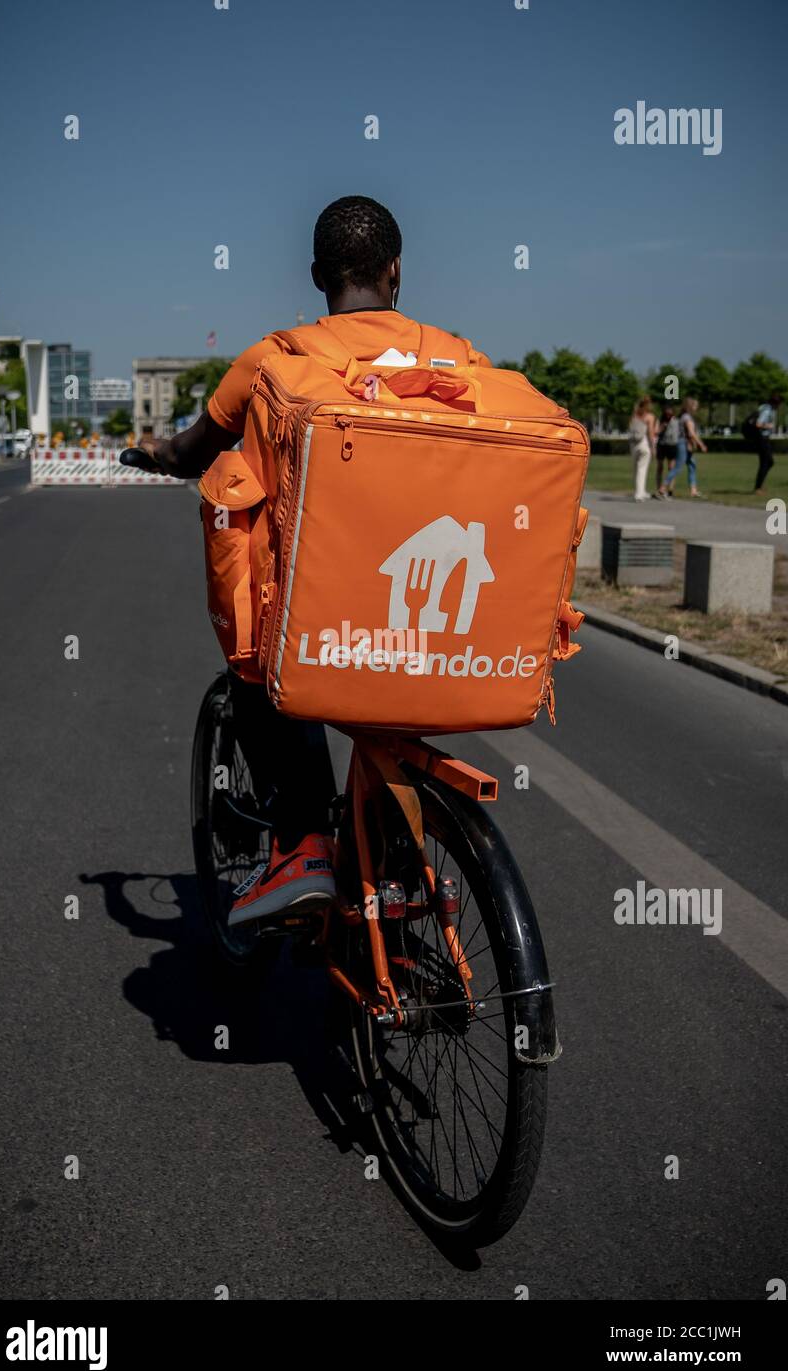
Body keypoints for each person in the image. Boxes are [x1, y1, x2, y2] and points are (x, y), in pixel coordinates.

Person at [129, 195, 493, 927]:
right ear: (395, 271)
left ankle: (302, 848)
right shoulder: (460, 358)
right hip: (432, 614)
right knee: (399, 680)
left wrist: (154, 454)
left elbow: (193, 449)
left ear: (317, 276)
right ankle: (400, 864)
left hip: (325, 616)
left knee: (264, 663)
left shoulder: (275, 358)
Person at [663, 397, 707, 498]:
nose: (697, 407)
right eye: (695, 405)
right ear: (690, 406)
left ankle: (693, 490)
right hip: (683, 444)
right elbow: (691, 434)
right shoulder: (687, 417)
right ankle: (663, 487)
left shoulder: (684, 416)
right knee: (678, 467)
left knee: (692, 465)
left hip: (685, 444)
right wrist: (701, 444)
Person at [747, 391, 784, 494]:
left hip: (762, 438)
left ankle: (759, 485)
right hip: (762, 438)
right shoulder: (767, 410)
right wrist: (769, 426)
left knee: (767, 462)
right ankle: (758, 487)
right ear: (776, 403)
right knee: (767, 462)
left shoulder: (764, 407)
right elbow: (758, 424)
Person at [628, 396, 657, 500]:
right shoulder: (649, 416)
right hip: (643, 443)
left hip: (633, 444)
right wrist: (653, 447)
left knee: (636, 469)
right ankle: (639, 494)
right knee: (642, 468)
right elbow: (650, 433)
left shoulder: (634, 415)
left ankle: (641, 491)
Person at [655, 405, 679, 497]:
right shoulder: (660, 421)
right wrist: (661, 427)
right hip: (661, 445)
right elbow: (656, 432)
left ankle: (670, 490)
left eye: (670, 414)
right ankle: (658, 489)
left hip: (672, 445)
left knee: (671, 468)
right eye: (667, 414)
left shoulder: (676, 421)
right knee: (660, 467)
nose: (668, 416)